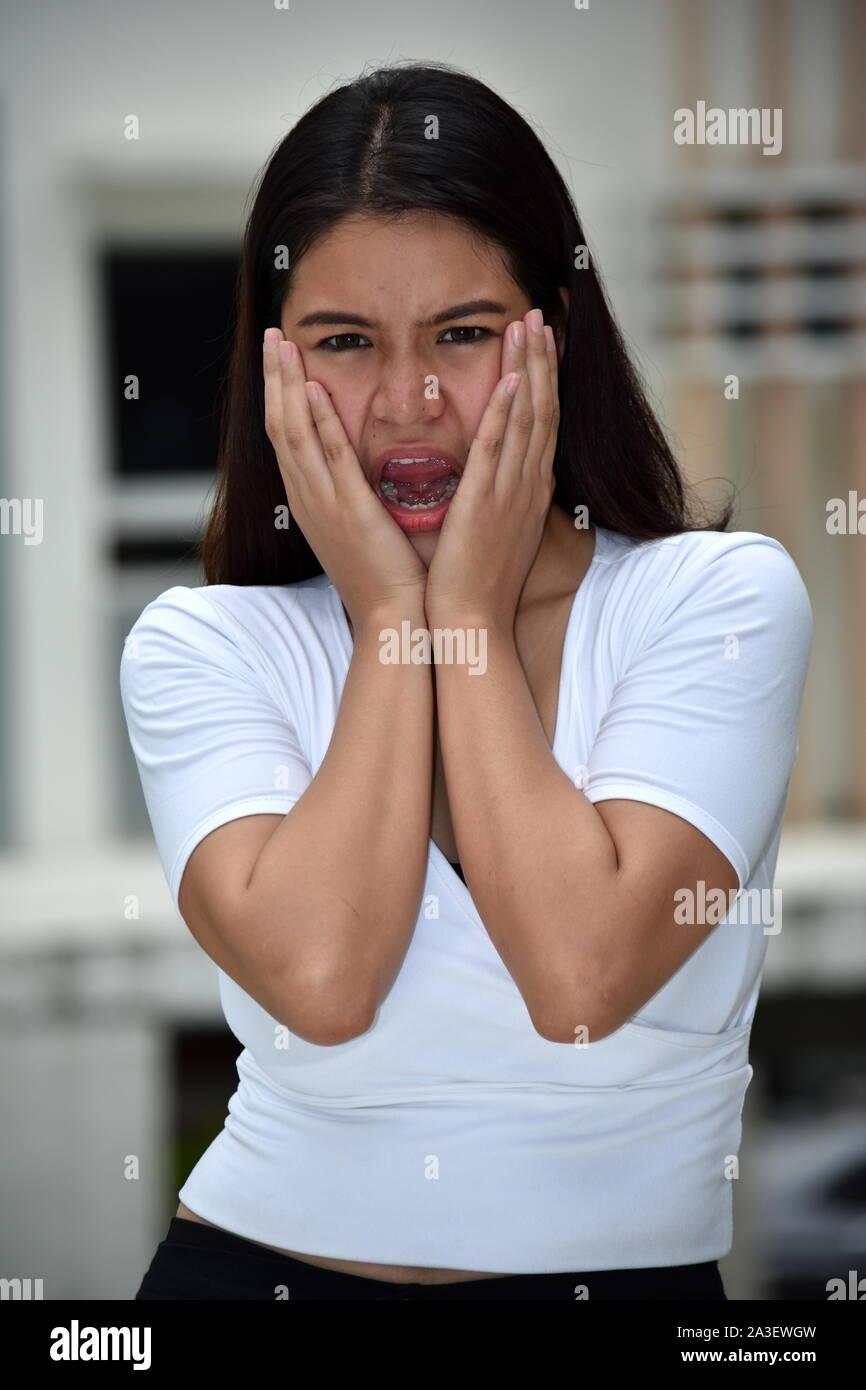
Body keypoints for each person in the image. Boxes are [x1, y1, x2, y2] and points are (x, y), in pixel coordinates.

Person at [121, 60, 812, 1301]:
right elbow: (324, 982)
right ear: (277, 366)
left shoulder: (713, 603)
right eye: (344, 342)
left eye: (463, 333)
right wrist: (397, 615)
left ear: (557, 329)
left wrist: (464, 624)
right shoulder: (202, 645)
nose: (409, 403)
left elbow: (580, 975)